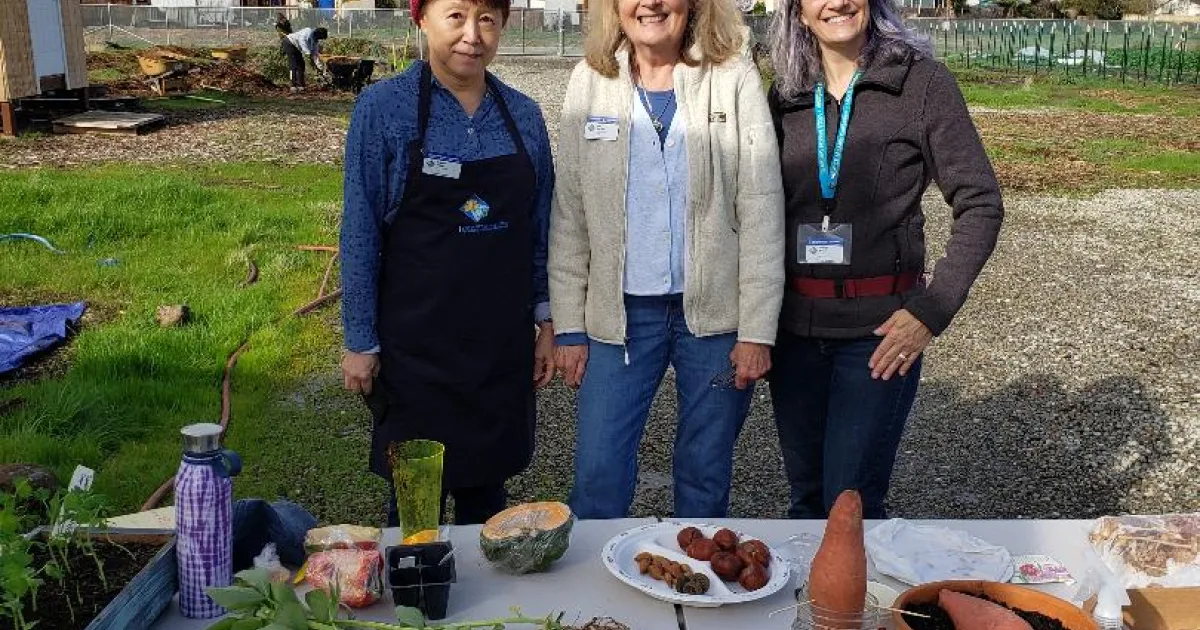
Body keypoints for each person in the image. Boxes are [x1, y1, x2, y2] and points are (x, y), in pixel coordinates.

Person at [766, 0, 1004, 518]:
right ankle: (808, 602)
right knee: (805, 500)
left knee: (850, 505)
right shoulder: (784, 92)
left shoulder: (922, 84)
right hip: (793, 335)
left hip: (877, 336)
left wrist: (930, 311)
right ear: (797, 11)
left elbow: (980, 202)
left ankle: (854, 601)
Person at [549, 0, 785, 519]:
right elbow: (570, 212)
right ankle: (597, 595)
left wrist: (757, 331)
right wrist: (568, 326)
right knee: (597, 474)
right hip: (619, 320)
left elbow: (763, 208)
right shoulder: (590, 81)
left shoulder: (733, 79)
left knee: (704, 472)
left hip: (714, 321)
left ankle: (694, 587)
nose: (650, 3)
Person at [340, 0, 556, 527]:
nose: (472, 35)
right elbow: (361, 229)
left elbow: (541, 226)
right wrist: (360, 340)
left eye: (486, 18)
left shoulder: (523, 115)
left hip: (498, 350)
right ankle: (413, 601)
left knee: (488, 501)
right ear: (422, 19)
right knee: (415, 504)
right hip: (416, 351)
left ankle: (488, 604)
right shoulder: (383, 107)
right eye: (455, 16)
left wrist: (547, 319)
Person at [282, 26, 329, 92]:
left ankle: (301, 86)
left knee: (301, 65)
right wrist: (308, 53)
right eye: (320, 38)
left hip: (297, 47)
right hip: (289, 43)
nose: (319, 40)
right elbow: (302, 41)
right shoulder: (307, 31)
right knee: (293, 65)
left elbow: (315, 54)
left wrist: (319, 67)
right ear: (318, 34)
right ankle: (293, 86)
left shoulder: (315, 41)